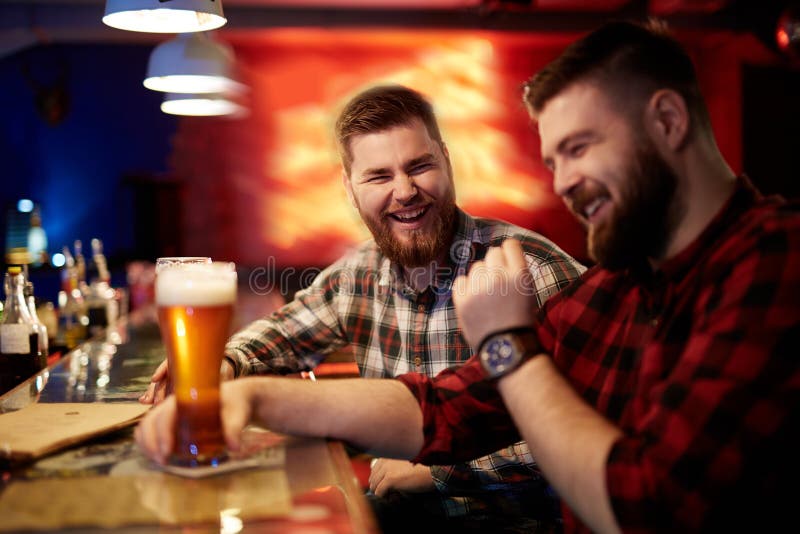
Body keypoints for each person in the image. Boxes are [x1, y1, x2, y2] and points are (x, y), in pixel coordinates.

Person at [137, 21, 800, 531]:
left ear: (666, 121)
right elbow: (450, 406)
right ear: (350, 190)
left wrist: (507, 344)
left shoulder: (773, 261)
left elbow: (646, 505)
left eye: (578, 148)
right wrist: (247, 397)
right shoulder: (622, 284)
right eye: (552, 159)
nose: (563, 182)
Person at [140, 85, 584, 532]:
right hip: (397, 519)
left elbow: (587, 437)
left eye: (419, 166)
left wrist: (440, 472)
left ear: (446, 162)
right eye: (379, 176)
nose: (405, 190)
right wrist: (228, 363)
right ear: (349, 188)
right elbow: (282, 333)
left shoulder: (534, 271)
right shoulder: (358, 272)